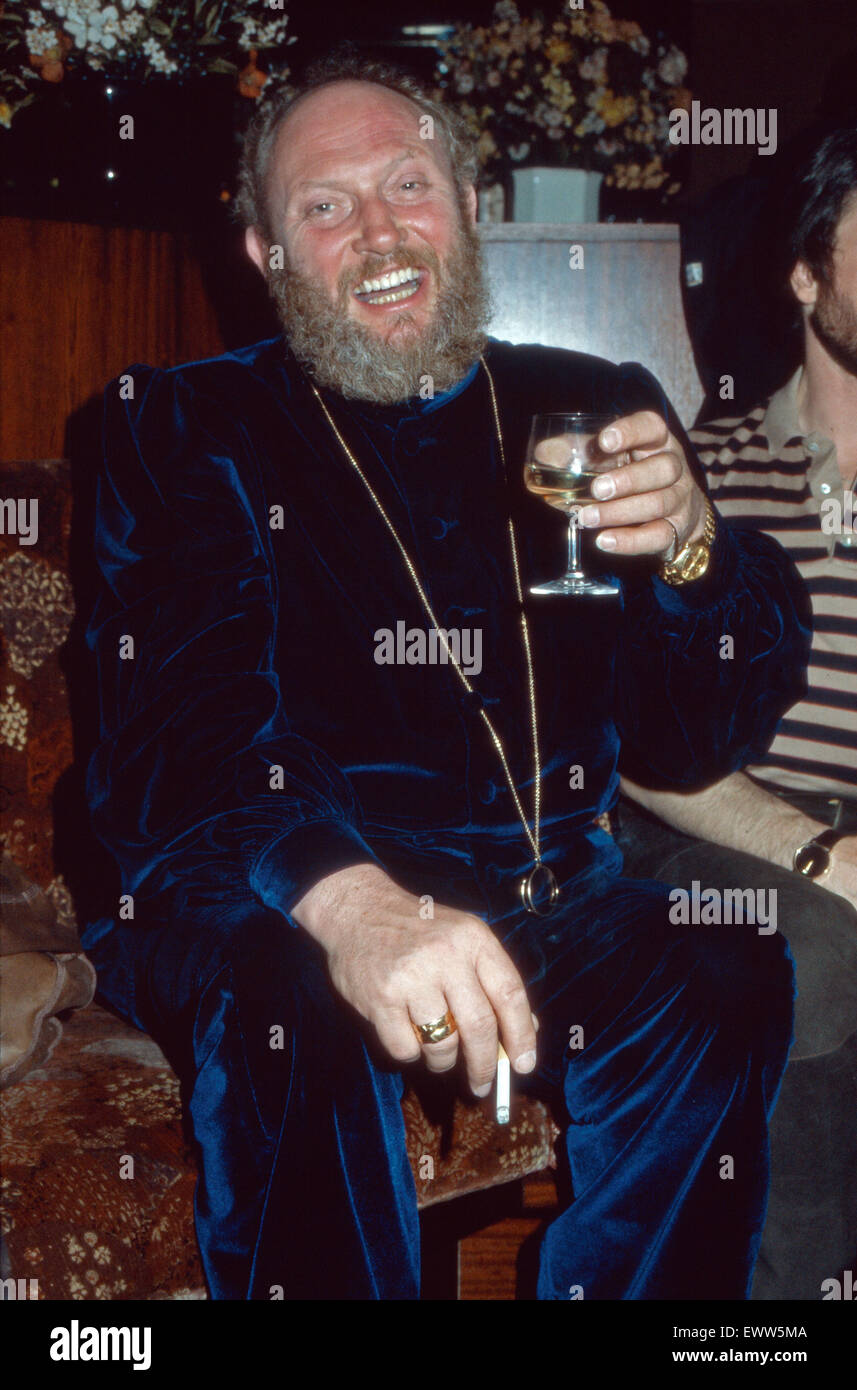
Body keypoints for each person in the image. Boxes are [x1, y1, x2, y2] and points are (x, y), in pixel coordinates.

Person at [80, 54, 811, 1301]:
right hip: (253, 888)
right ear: (263, 251)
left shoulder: (590, 407)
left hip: (541, 891)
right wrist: (354, 906)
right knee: (292, 1001)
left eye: (407, 186)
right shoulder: (175, 423)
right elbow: (188, 732)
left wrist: (697, 553)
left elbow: (685, 738)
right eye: (324, 206)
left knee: (721, 960)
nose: (377, 232)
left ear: (469, 207)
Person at [616, 124, 857, 1300]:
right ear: (806, 275)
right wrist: (820, 851)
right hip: (727, 828)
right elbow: (645, 755)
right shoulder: (701, 481)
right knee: (815, 947)